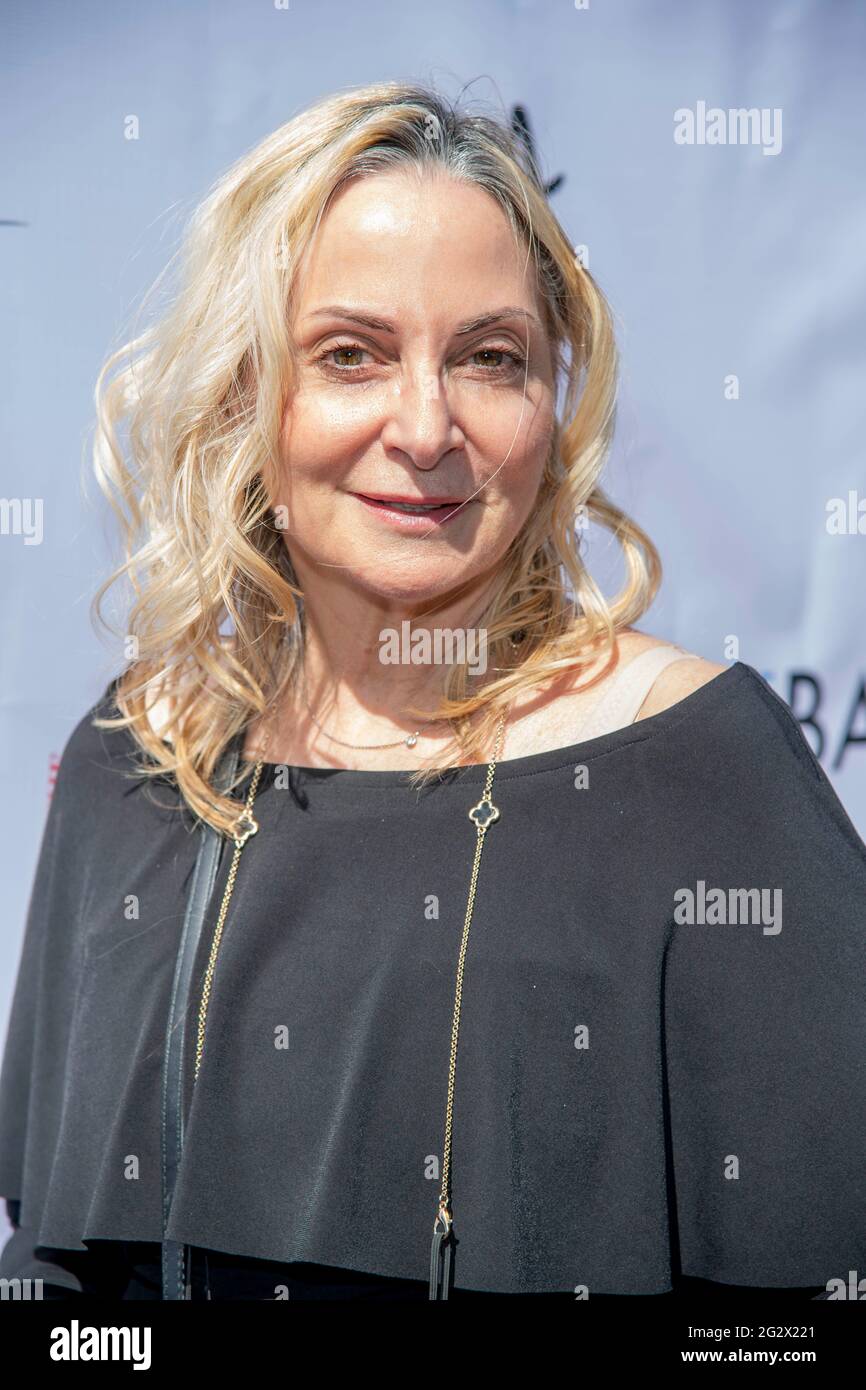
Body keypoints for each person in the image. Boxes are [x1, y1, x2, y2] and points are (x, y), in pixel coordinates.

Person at [0, 80, 863, 1302]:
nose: (424, 426)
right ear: (246, 395)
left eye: (488, 358)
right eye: (349, 355)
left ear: (550, 407)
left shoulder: (701, 773)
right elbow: (58, 1266)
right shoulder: (137, 759)